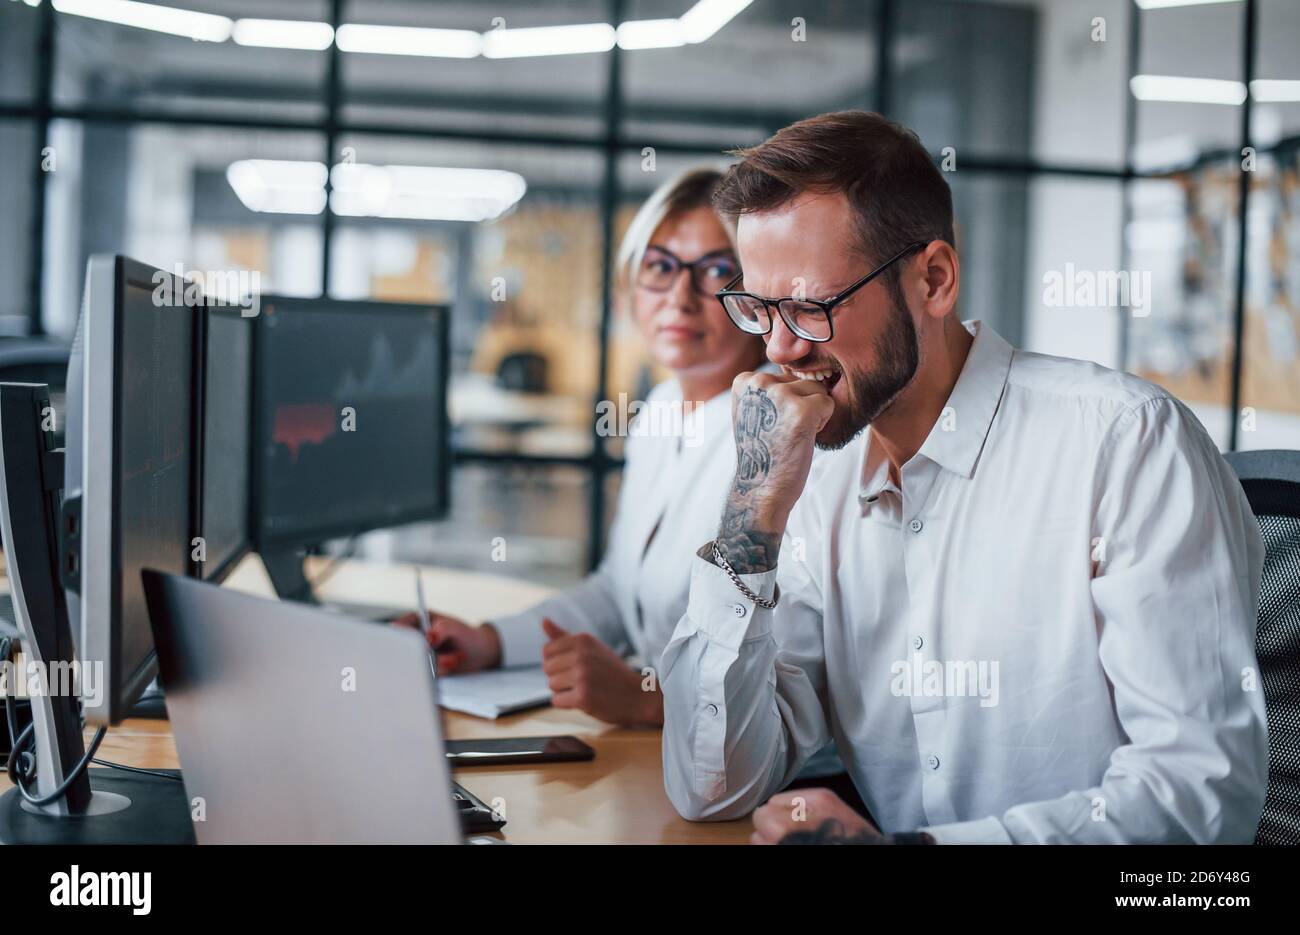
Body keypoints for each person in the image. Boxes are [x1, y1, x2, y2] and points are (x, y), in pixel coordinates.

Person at [660, 111, 1269, 844]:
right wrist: (749, 512)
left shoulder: (1126, 443)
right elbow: (712, 784)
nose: (781, 347)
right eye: (760, 308)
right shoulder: (818, 478)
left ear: (935, 280)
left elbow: (1198, 795)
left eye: (811, 307)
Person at [397, 168, 768, 728]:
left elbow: (795, 666)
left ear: (757, 290)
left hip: (744, 769)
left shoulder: (778, 429)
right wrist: (490, 642)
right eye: (660, 267)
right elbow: (618, 592)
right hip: (661, 752)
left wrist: (652, 702)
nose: (679, 296)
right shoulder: (661, 411)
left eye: (716, 270)